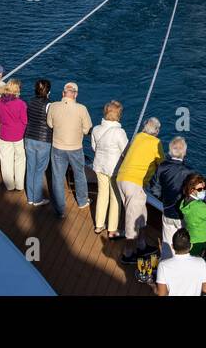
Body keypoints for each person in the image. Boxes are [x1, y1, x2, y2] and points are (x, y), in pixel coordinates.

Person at [117, 117, 164, 264]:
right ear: (156, 131)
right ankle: (128, 254)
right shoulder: (156, 143)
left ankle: (142, 245)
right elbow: (162, 164)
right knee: (132, 221)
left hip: (122, 179)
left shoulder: (138, 136)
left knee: (141, 214)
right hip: (134, 184)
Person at [46, 81, 92, 219]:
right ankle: (82, 201)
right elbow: (87, 129)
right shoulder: (82, 109)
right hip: (75, 148)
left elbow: (50, 124)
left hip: (58, 147)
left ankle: (60, 209)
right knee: (79, 174)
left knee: (58, 177)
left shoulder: (53, 106)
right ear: (76, 94)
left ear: (63, 93)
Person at [90, 101, 128, 238]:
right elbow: (126, 152)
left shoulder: (96, 129)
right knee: (115, 197)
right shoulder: (120, 132)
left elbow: (94, 148)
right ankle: (112, 230)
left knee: (102, 195)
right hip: (114, 169)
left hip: (99, 166)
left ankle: (99, 225)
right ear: (118, 115)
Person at [151, 136, 194, 258]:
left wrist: (163, 199)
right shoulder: (189, 172)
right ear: (184, 152)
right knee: (184, 245)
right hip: (184, 214)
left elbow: (155, 187)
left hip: (168, 211)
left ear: (170, 151)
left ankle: (166, 267)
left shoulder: (162, 167)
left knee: (167, 244)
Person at [23, 79, 53, 206]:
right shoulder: (49, 105)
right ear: (49, 91)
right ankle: (37, 199)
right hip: (43, 140)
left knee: (30, 168)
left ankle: (30, 197)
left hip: (29, 137)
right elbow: (52, 123)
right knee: (39, 170)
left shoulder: (29, 101)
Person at [155, 230, 206, 296]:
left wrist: (153, 286)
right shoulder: (201, 262)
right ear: (190, 246)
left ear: (172, 246)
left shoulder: (163, 265)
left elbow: (162, 294)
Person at [0, 79, 28, 191]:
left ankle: (9, 185)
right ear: (17, 90)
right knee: (20, 159)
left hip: (4, 134)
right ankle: (19, 185)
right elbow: (24, 120)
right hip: (19, 135)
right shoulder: (21, 104)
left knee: (5, 160)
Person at [179, 173, 206, 256]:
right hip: (202, 244)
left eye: (204, 188)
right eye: (200, 189)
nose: (203, 191)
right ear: (191, 190)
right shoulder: (199, 207)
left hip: (192, 240)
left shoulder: (185, 202)